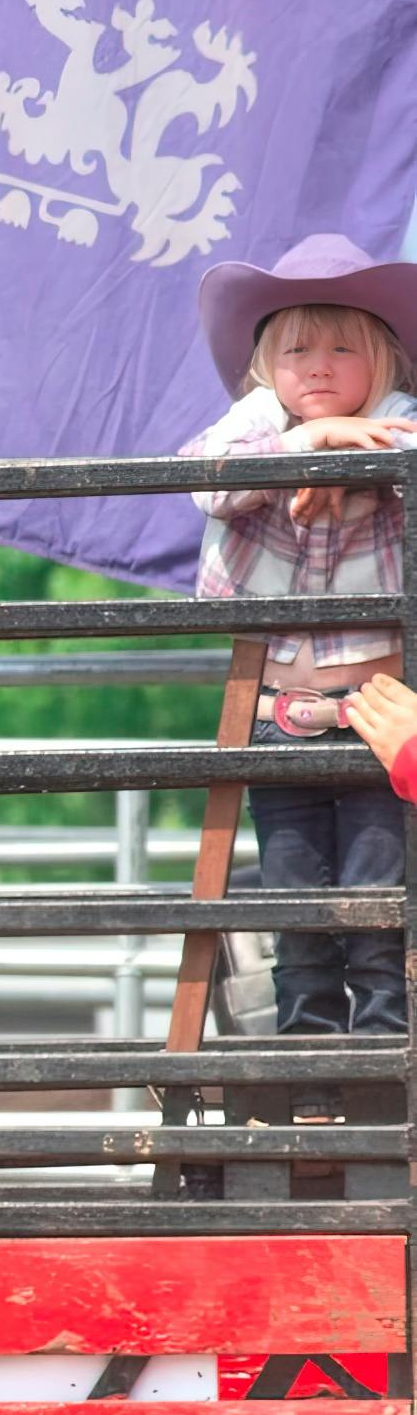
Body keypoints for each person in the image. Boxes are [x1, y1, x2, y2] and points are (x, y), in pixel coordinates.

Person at [183, 236, 417, 1037]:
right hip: (278, 706)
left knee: (380, 893)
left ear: (382, 361)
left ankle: (387, 1045)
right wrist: (302, 448)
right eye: (296, 349)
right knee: (293, 891)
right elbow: (205, 481)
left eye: (343, 346)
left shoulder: (399, 421)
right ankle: (308, 1048)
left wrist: (353, 457)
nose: (318, 365)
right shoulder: (257, 425)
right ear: (266, 368)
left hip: (381, 712)